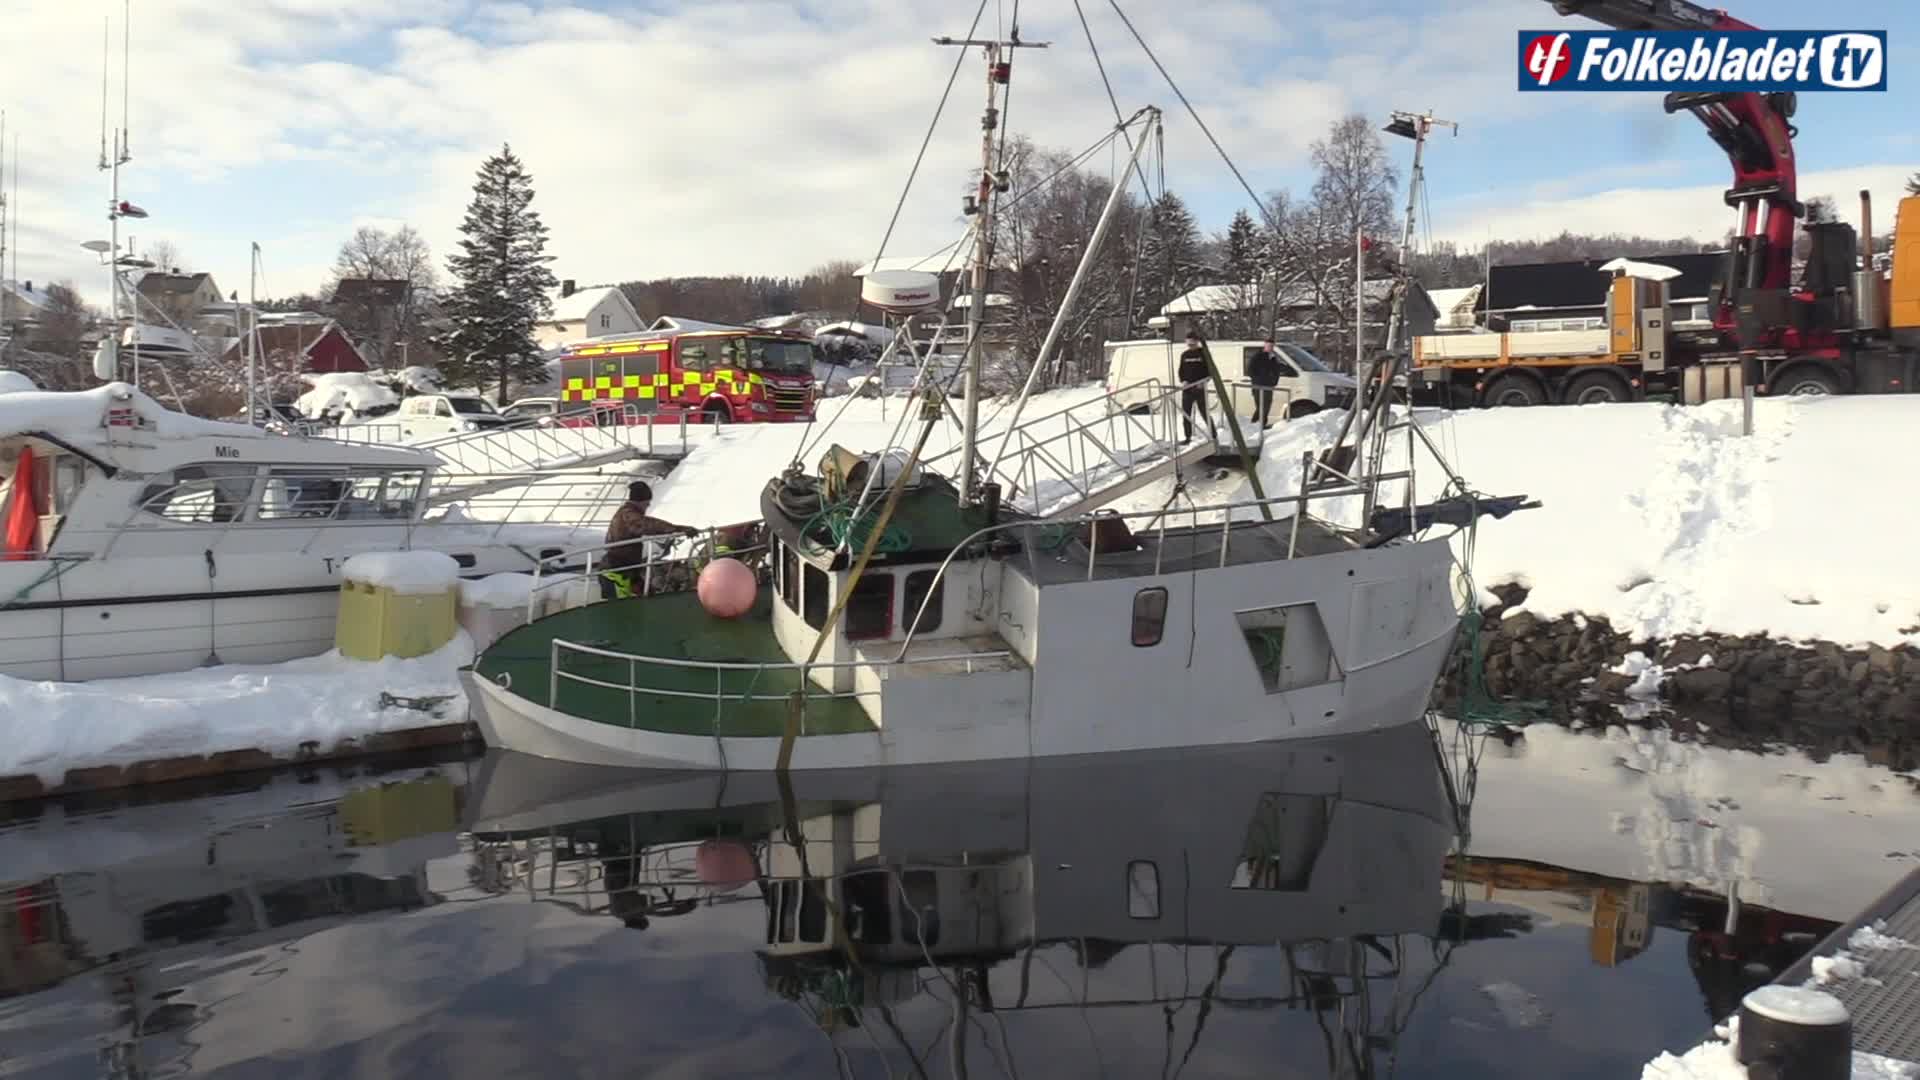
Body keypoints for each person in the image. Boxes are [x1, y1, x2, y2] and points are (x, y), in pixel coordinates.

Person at [601, 480, 697, 599]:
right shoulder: (628, 515)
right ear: (640, 502)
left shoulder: (625, 513)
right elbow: (647, 525)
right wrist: (676, 529)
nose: (648, 506)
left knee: (648, 596)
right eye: (647, 503)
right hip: (616, 573)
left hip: (628, 570)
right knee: (621, 611)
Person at [1177, 331, 1217, 444]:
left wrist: (1204, 382)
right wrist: (1183, 381)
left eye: (1192, 344)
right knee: (1186, 414)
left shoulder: (1203, 353)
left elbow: (1210, 371)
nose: (1191, 347)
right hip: (1188, 388)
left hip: (1200, 388)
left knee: (1204, 412)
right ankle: (1187, 437)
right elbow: (1181, 371)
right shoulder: (1184, 355)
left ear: (1197, 342)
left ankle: (1213, 434)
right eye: (1188, 344)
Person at [1246, 337, 1283, 426]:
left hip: (1269, 386)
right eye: (1269, 345)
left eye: (1272, 346)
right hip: (1258, 386)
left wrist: (1274, 381)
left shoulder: (1273, 358)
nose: (1270, 348)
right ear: (1265, 345)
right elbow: (1250, 370)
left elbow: (1276, 370)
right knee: (1261, 407)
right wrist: (1260, 379)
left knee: (1266, 407)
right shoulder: (1257, 357)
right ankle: (1256, 425)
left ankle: (1258, 425)